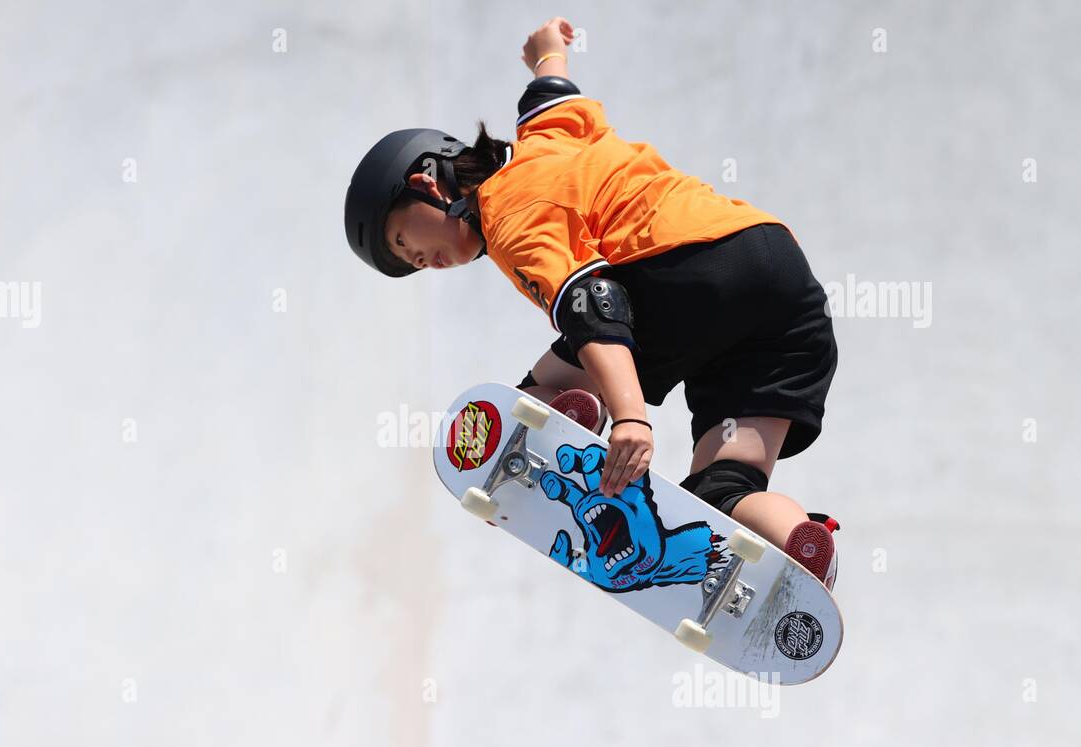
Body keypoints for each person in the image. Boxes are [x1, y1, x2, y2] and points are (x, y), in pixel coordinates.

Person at [344, 17, 840, 589]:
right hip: (780, 284)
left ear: (427, 182)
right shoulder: (546, 136)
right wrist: (547, 51)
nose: (420, 261)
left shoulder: (510, 217)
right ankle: (802, 543)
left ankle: (575, 405)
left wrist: (631, 416)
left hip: (687, 267)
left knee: (530, 401)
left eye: (406, 242)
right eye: (408, 263)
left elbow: (591, 302)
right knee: (724, 492)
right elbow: (553, 95)